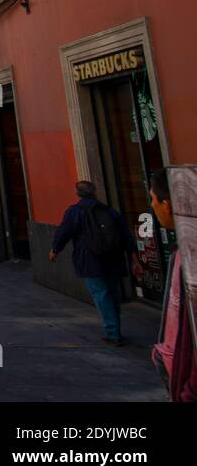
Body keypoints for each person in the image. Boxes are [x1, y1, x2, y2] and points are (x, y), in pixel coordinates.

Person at [50, 180, 142, 346]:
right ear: (95, 192)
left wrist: (55, 249)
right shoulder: (110, 211)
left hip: (90, 260)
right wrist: (134, 259)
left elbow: (64, 232)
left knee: (101, 294)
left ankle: (113, 332)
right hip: (114, 258)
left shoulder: (74, 212)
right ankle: (115, 329)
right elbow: (126, 235)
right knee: (113, 294)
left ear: (77, 193)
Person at [148, 171, 196, 401]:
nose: (151, 205)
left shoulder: (190, 257)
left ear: (166, 205)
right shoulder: (181, 252)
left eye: (153, 199)